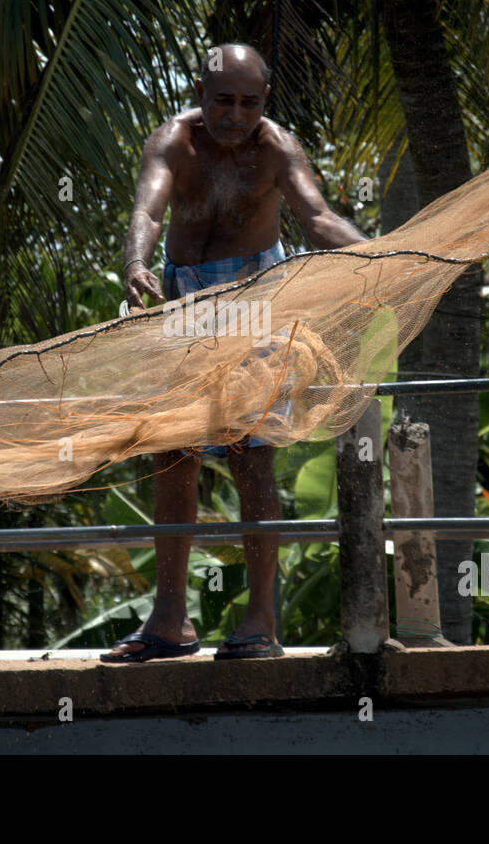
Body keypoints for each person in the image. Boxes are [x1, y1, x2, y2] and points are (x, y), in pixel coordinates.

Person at [101, 42, 366, 661]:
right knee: (174, 456)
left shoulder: (276, 148)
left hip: (256, 298)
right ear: (201, 93)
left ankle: (261, 622)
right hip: (184, 300)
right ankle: (169, 622)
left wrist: (382, 252)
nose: (235, 114)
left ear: (264, 101)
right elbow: (147, 208)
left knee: (252, 460)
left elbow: (318, 218)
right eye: (224, 100)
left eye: (249, 102)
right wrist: (136, 262)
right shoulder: (175, 141)